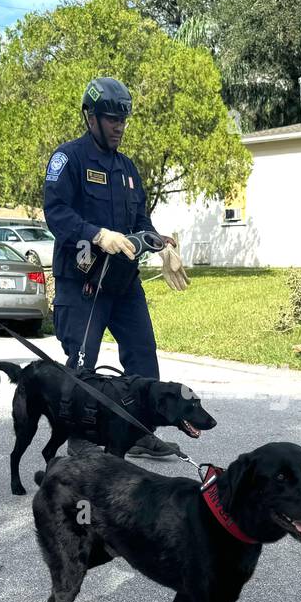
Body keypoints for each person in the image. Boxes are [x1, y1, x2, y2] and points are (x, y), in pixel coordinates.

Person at [42, 76, 181, 459]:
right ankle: (79, 438)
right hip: (83, 280)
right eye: (110, 118)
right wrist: (97, 234)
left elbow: (141, 222)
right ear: (90, 117)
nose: (119, 126)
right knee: (82, 362)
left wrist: (162, 244)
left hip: (123, 281)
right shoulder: (67, 159)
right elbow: (56, 214)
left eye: (123, 119)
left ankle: (139, 432)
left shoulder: (128, 169)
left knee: (142, 354)